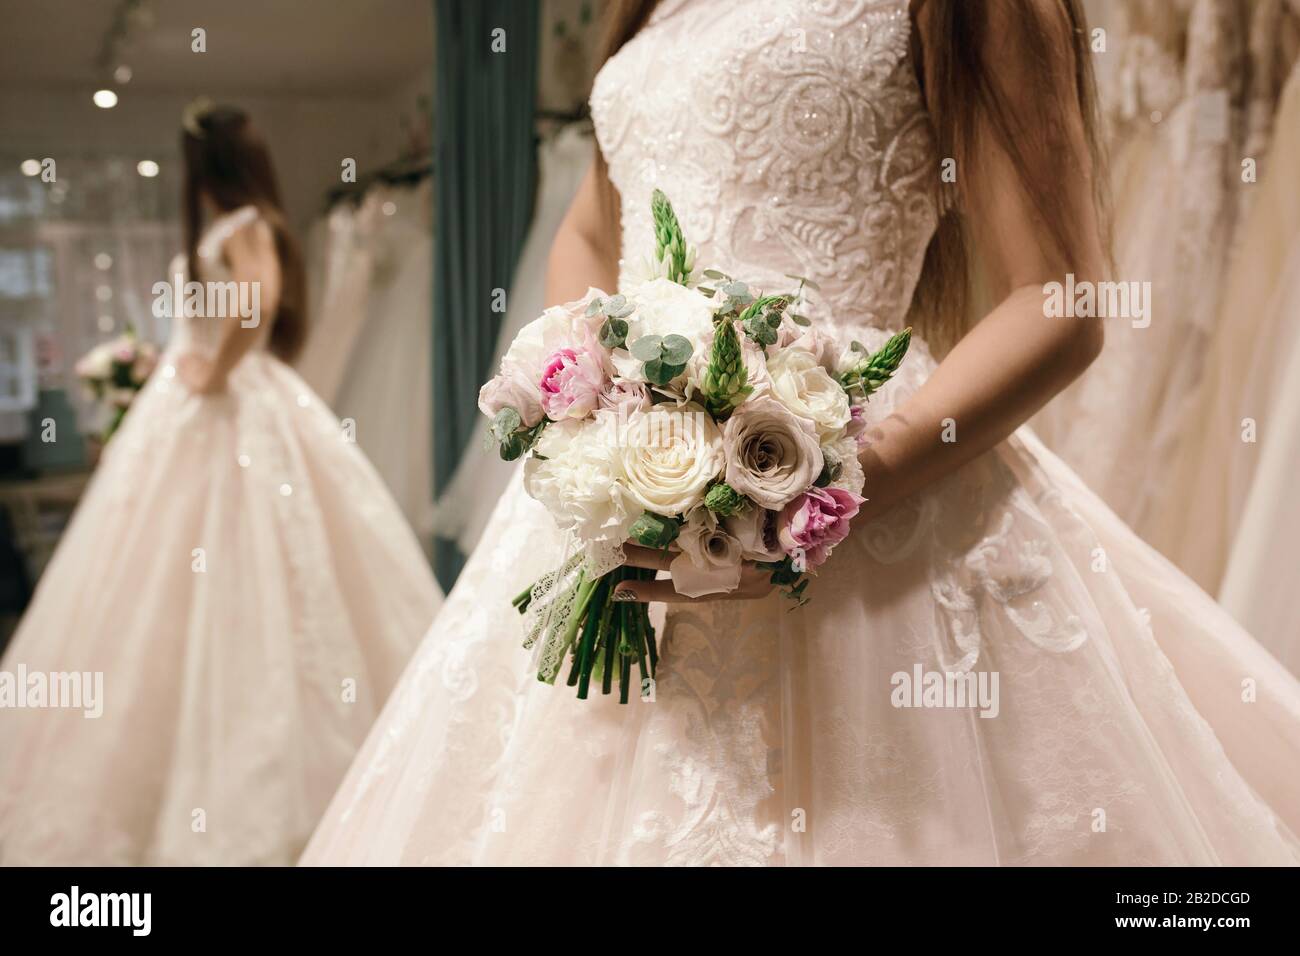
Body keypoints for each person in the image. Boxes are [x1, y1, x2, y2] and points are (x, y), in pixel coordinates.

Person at [304, 0, 1300, 865]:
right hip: (634, 484)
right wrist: (585, 399)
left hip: (869, 477)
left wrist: (835, 486)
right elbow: (589, 223)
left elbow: (1063, 296)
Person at [0, 103, 441, 865]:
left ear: (202, 165)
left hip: (223, 406)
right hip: (208, 408)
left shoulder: (239, 224)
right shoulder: (248, 220)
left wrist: (213, 367)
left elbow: (258, 300)